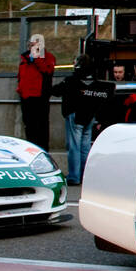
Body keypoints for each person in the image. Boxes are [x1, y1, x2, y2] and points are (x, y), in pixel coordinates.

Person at [53, 53, 114, 185]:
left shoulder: (72, 80)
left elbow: (56, 91)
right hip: (89, 116)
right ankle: (84, 175)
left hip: (75, 115)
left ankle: (74, 176)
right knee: (85, 146)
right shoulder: (96, 82)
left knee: (74, 146)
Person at [16, 36, 56, 149]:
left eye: (34, 45)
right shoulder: (25, 59)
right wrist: (20, 89)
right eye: (30, 45)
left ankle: (42, 148)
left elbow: (47, 71)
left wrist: (37, 58)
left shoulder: (48, 57)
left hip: (40, 96)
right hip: (26, 96)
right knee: (29, 125)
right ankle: (31, 147)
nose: (31, 47)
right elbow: (21, 75)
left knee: (41, 125)